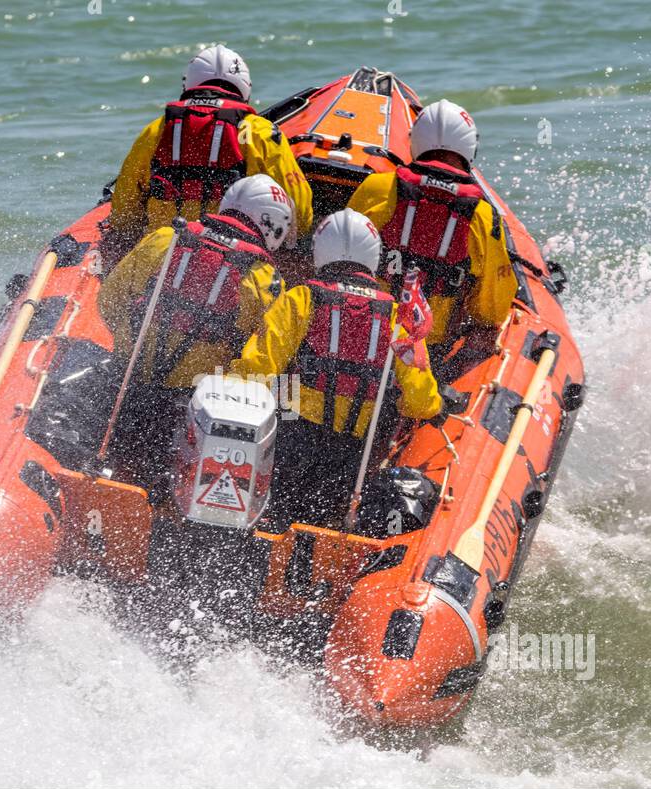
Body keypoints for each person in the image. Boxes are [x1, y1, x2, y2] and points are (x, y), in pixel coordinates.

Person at [232, 208, 443, 527]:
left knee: (277, 511)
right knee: (324, 519)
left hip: (291, 442)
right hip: (352, 456)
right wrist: (436, 405)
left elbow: (254, 371)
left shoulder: (301, 299)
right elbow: (420, 402)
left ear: (320, 252)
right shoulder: (396, 317)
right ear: (374, 258)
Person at [98, 174, 295, 464]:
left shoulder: (167, 237)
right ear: (275, 224)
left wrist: (129, 343)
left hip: (124, 387)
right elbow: (266, 361)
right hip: (194, 412)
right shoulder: (267, 280)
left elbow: (108, 301)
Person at [346, 99, 517, 369]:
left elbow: (338, 254)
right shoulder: (481, 215)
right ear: (469, 148)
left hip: (360, 329)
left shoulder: (375, 188)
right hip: (428, 348)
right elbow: (492, 305)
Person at [106, 45, 313, 262]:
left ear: (189, 84)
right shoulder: (259, 133)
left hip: (159, 255)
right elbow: (298, 208)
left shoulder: (156, 130)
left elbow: (124, 209)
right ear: (245, 88)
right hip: (229, 263)